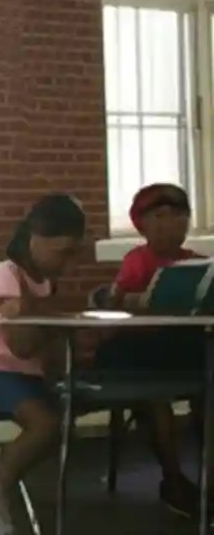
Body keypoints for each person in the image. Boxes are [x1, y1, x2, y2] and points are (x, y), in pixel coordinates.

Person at [0, 194, 86, 535]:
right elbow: (22, 345)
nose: (67, 264)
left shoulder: (44, 281)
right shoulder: (6, 273)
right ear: (35, 238)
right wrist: (50, 320)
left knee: (60, 427)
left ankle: (1, 465)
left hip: (25, 372)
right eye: (61, 253)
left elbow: (41, 340)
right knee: (44, 425)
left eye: (72, 254)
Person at [94, 183, 203, 517]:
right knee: (155, 397)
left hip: (183, 349)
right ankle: (173, 480)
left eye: (178, 215)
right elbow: (112, 307)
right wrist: (129, 300)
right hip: (135, 351)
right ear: (142, 223)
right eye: (160, 216)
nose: (170, 224)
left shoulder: (198, 264)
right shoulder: (137, 260)